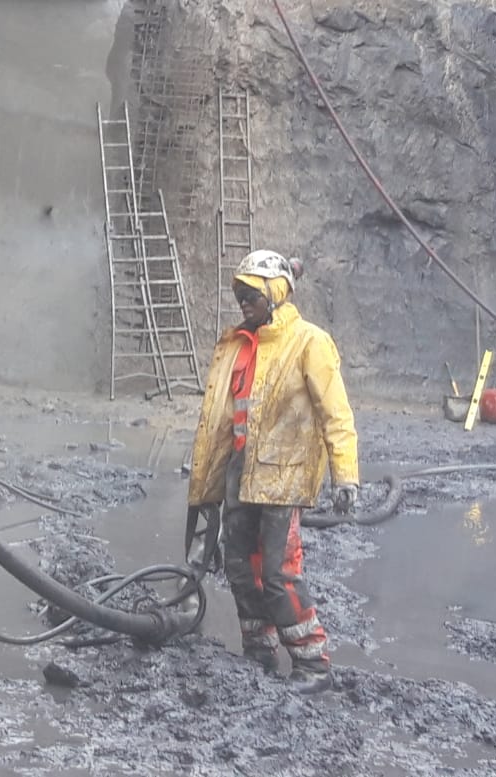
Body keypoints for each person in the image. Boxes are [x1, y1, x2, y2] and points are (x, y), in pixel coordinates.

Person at [186, 249, 358, 694]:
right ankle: (258, 653)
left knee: (279, 573)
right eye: (240, 293)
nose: (243, 301)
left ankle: (312, 664)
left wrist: (346, 477)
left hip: (283, 476)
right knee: (241, 566)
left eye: (252, 294)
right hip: (241, 472)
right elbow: (219, 417)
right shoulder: (238, 345)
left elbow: (335, 413)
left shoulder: (309, 342)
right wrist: (207, 475)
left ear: (276, 294)